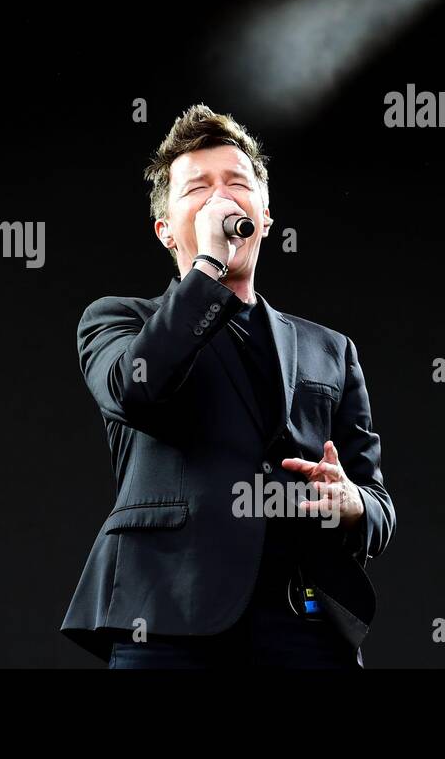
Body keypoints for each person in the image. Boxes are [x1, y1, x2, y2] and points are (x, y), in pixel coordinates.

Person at [59, 104, 395, 668]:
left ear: (263, 216)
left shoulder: (330, 349)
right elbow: (137, 392)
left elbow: (378, 503)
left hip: (307, 629)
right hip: (168, 623)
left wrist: (353, 503)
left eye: (237, 184)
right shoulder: (120, 321)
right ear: (165, 229)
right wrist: (208, 265)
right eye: (198, 189)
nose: (220, 199)